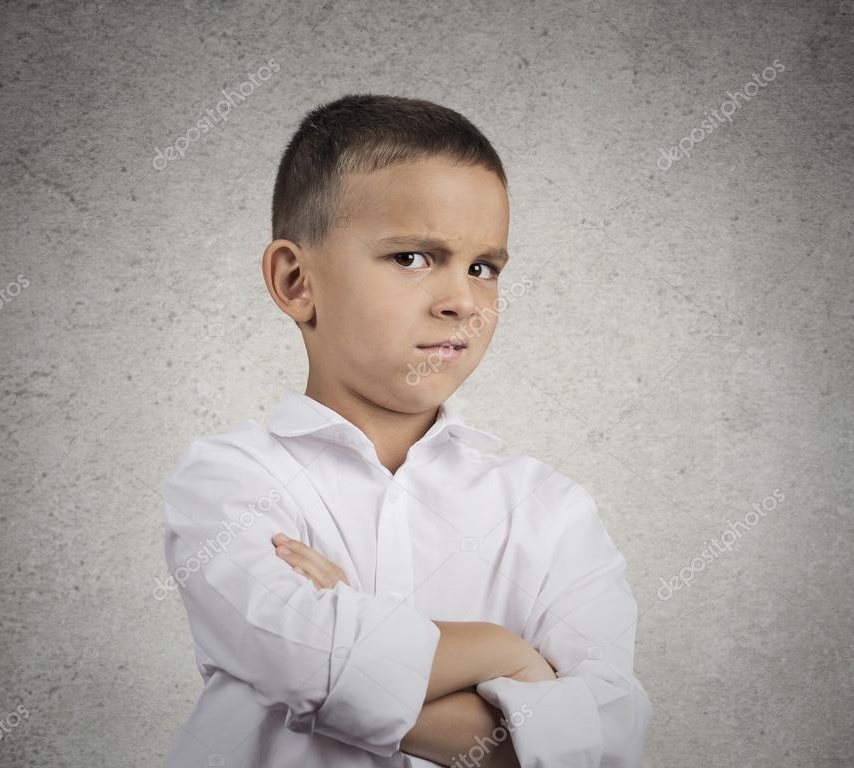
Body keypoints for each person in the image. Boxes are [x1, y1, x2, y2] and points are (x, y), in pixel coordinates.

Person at [162, 93, 652, 767]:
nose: (461, 301)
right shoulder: (228, 480)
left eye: (484, 268)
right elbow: (296, 654)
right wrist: (504, 654)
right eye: (413, 258)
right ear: (296, 280)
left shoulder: (550, 512)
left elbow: (607, 743)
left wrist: (342, 662)